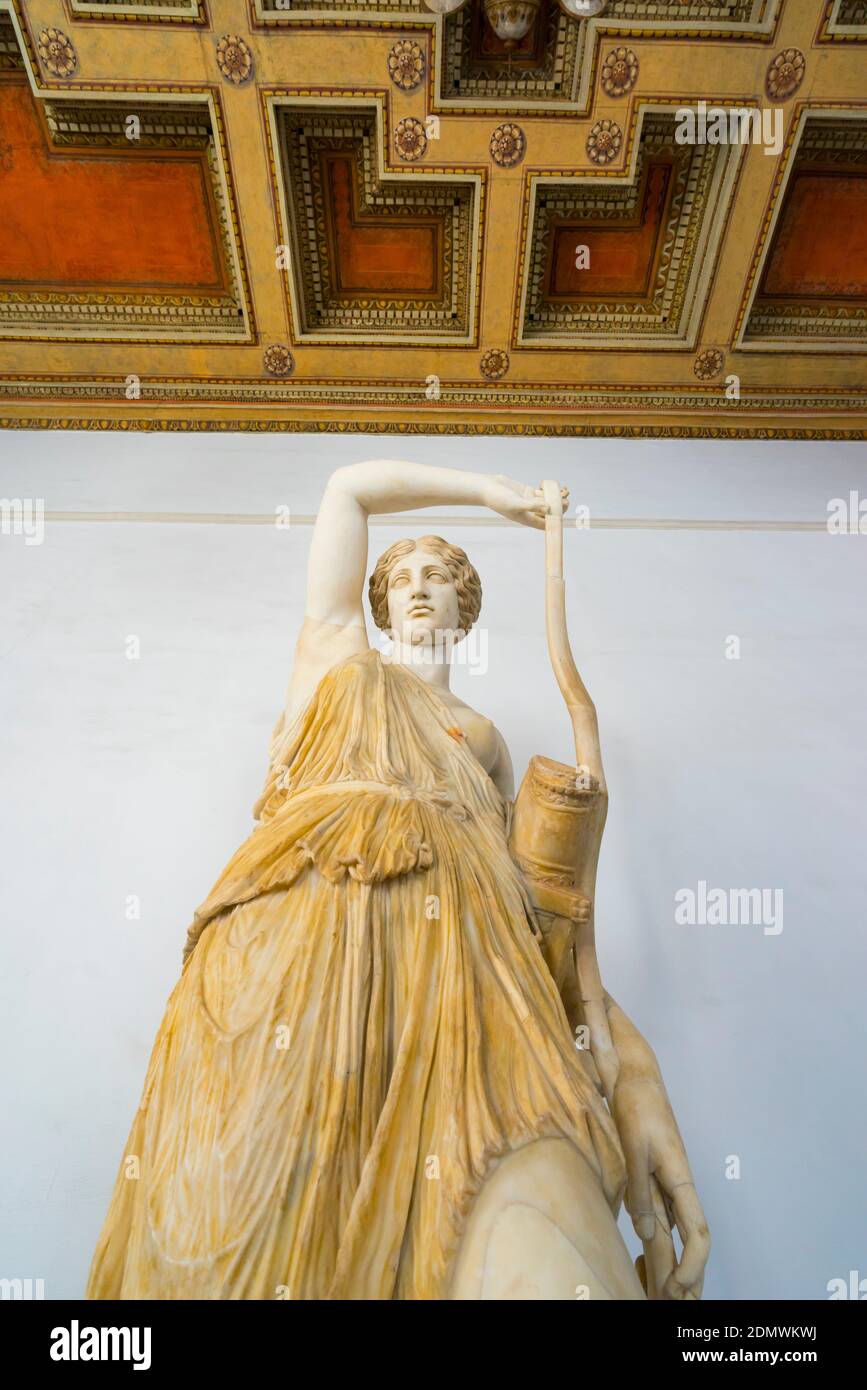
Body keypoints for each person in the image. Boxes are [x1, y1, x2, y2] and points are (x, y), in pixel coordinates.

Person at [87, 460, 709, 1300]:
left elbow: (544, 924)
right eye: (403, 577)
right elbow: (346, 486)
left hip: (469, 990)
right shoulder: (336, 659)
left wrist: (631, 1068)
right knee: (243, 1234)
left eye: (439, 578)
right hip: (298, 967)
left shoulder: (484, 743)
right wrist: (495, 498)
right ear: (378, 604)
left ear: (464, 606)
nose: (418, 589)